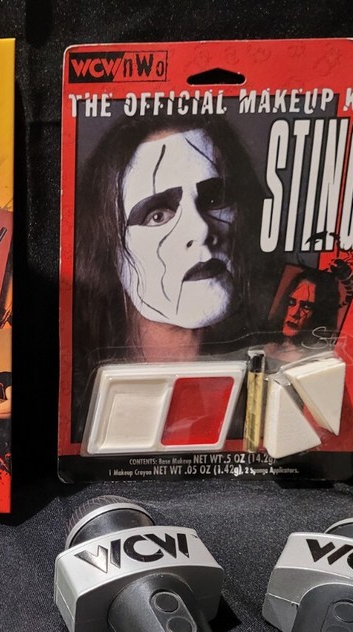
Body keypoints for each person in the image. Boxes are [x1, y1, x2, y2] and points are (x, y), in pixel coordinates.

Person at [72, 115, 268, 440]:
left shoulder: (270, 369)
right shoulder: (79, 392)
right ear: (107, 251)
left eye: (214, 199)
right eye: (158, 214)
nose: (200, 230)